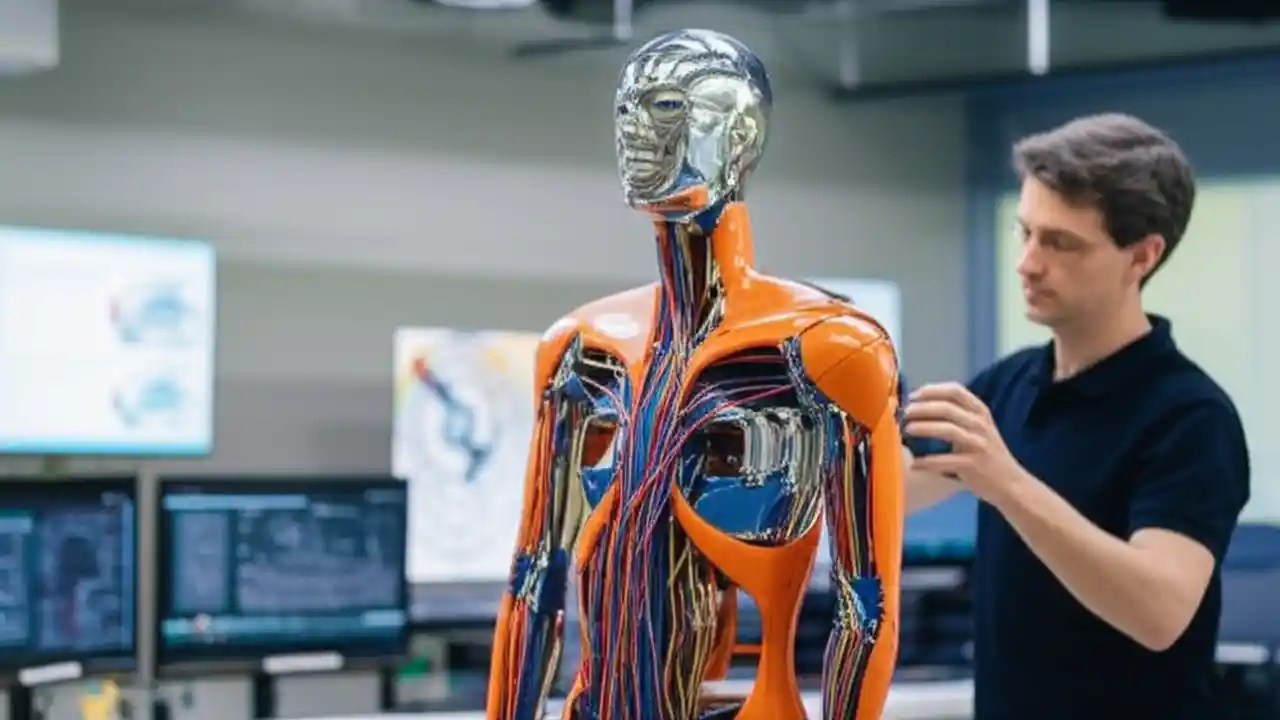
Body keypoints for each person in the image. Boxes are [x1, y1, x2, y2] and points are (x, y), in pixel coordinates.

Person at [902, 113, 1251, 718]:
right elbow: (888, 489)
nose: (1028, 264)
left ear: (1141, 256)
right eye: (1025, 233)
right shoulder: (1007, 386)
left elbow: (1159, 612)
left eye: (1060, 242)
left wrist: (1007, 484)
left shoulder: (1191, 418)